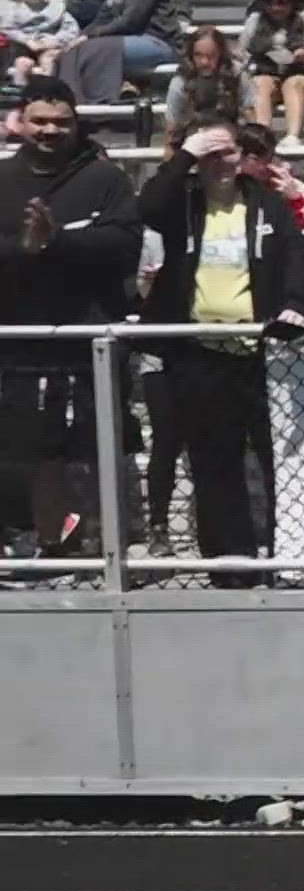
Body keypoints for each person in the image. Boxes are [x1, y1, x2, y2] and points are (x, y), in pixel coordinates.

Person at [138, 119, 304, 586]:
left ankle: (284, 553)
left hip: (260, 354)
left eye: (227, 152)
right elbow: (149, 206)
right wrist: (188, 155)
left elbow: (293, 258)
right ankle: (229, 564)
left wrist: (294, 305)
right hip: (200, 353)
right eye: (208, 154)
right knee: (215, 461)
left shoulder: (266, 204)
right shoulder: (183, 205)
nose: (220, 163)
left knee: (276, 458)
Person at [0, 77, 142, 562]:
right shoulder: (3, 180)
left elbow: (125, 245)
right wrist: (27, 250)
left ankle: (109, 548)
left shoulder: (106, 179)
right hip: (17, 345)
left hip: (90, 342)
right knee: (28, 451)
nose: (51, 130)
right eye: (41, 120)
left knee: (101, 446)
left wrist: (57, 242)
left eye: (62, 122)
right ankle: (44, 543)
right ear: (21, 120)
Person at [239, 0, 304, 148]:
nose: (277, 9)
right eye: (271, 4)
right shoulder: (256, 20)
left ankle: (293, 136)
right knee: (259, 84)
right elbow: (241, 55)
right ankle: (262, 136)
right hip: (269, 73)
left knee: (293, 83)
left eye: (282, 4)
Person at [163, 27, 253, 142]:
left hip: (230, 137)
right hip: (193, 140)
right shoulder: (181, 82)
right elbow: (172, 126)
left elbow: (250, 113)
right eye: (198, 55)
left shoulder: (236, 76)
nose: (204, 62)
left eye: (211, 56)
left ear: (221, 55)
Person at [3, 0, 80, 85]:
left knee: (49, 59)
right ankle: (22, 94)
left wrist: (54, 41)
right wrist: (27, 40)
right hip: (24, 49)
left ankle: (47, 91)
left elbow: (71, 29)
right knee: (22, 63)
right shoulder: (14, 10)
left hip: (49, 46)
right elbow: (7, 29)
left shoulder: (56, 7)